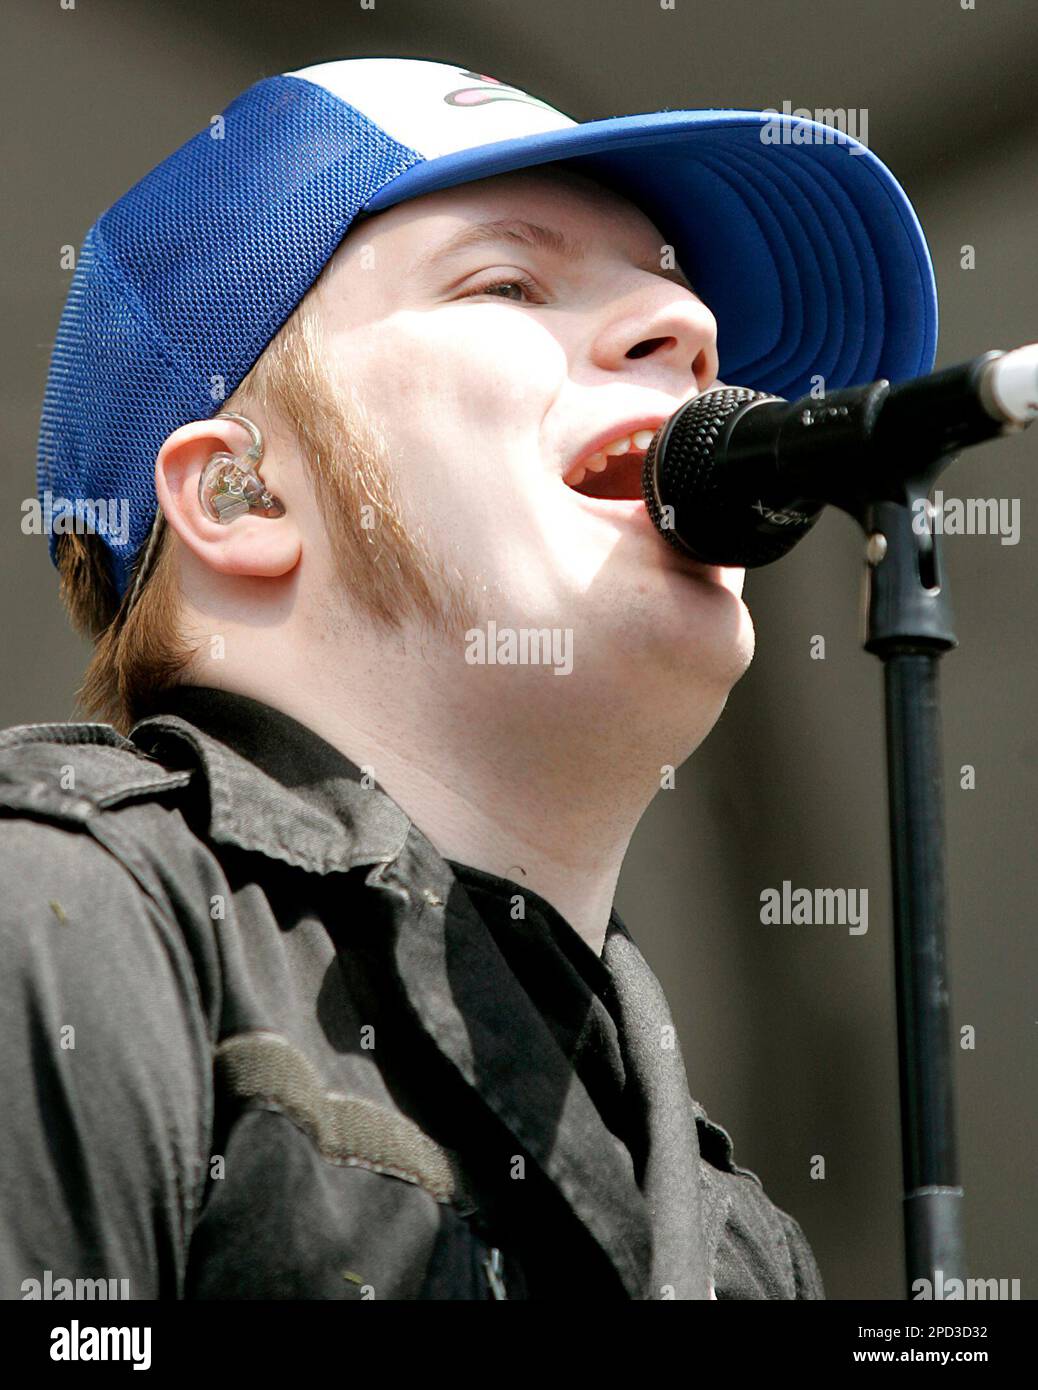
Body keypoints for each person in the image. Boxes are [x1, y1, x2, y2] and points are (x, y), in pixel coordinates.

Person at [2, 57, 938, 1300]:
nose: (693, 328)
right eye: (507, 279)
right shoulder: (70, 916)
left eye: (674, 292)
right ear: (242, 492)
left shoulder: (745, 1253)